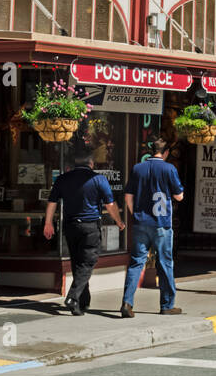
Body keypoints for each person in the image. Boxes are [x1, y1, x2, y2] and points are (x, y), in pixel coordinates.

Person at [44, 150, 124, 315]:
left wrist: (48, 223)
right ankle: (73, 297)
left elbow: (52, 202)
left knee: (78, 263)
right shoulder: (98, 179)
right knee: (88, 263)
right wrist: (118, 221)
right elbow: (110, 204)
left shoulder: (62, 179)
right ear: (91, 163)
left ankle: (81, 303)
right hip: (90, 226)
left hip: (70, 226)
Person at [121, 136, 184, 318]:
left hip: (141, 223)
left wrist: (136, 214)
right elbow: (179, 196)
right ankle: (167, 304)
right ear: (165, 153)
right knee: (165, 263)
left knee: (135, 263)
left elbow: (128, 196)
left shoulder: (138, 168)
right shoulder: (169, 168)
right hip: (161, 224)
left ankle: (127, 302)